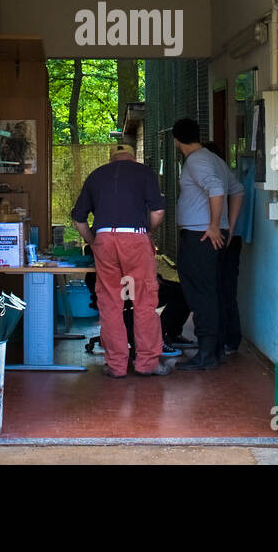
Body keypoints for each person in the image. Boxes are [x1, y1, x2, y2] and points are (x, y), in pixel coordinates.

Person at [71, 143, 172, 378]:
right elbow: (158, 212)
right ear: (133, 157)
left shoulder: (96, 175)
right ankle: (147, 363)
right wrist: (149, 233)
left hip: (104, 239)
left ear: (110, 158)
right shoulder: (144, 173)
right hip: (135, 239)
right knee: (144, 301)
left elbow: (79, 219)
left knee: (109, 302)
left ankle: (116, 365)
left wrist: (93, 241)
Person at [171, 118, 232, 371]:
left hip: (201, 237)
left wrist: (215, 225)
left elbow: (217, 188)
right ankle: (214, 349)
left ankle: (206, 354)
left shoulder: (196, 160)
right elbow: (237, 189)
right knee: (212, 290)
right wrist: (230, 226)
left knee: (199, 292)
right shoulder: (214, 159)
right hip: (211, 235)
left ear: (176, 140)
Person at [202, 141, 245, 358]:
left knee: (220, 289)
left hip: (223, 236)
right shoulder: (228, 174)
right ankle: (227, 339)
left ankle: (225, 339)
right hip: (230, 236)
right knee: (225, 289)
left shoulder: (217, 179)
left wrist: (223, 229)